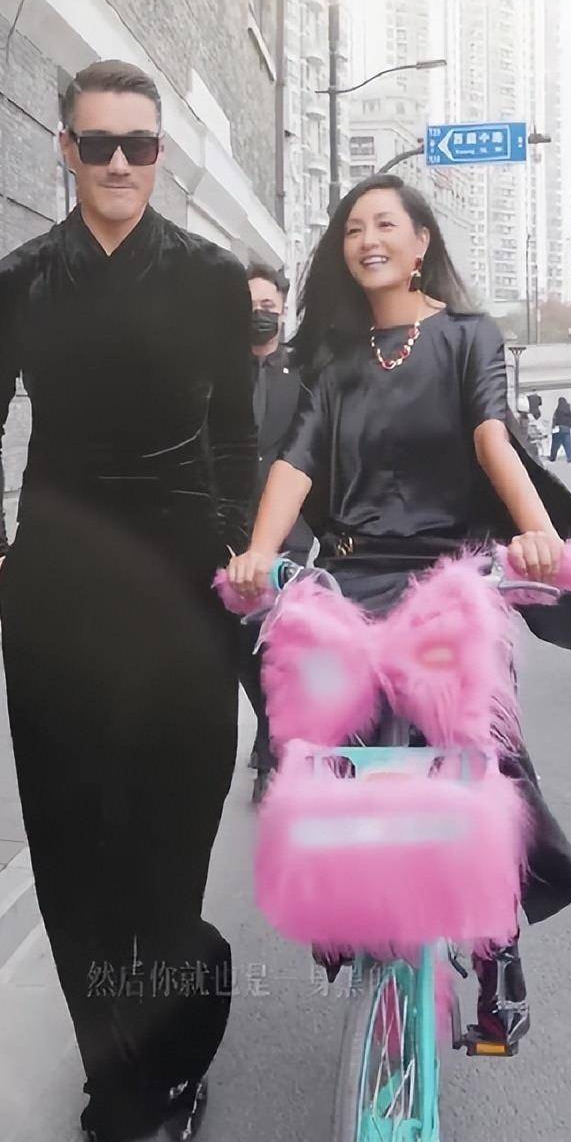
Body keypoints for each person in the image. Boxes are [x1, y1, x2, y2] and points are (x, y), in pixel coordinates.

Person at [225, 174, 571, 1049]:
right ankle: (348, 905)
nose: (367, 239)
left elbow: (491, 435)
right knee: (312, 745)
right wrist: (259, 553)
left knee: (481, 753)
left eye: (385, 224)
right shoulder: (331, 358)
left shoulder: (465, 336)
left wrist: (536, 533)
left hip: (447, 577)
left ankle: (495, 942)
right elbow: (295, 462)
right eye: (352, 228)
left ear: (419, 244)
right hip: (348, 577)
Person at [0, 60, 257, 1142]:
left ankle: (173, 1045)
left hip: (184, 593)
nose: (119, 162)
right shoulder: (15, 284)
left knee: (168, 846)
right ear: (65, 149)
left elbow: (237, 432)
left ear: (161, 154)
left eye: (139, 144)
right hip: (61, 601)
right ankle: (112, 1079)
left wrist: (234, 545)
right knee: (76, 853)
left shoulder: (213, 280)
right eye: (98, 143)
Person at [240, 263, 315, 803]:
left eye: (268, 306)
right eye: (250, 306)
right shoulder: (219, 371)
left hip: (288, 531)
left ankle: (271, 753)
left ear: (283, 309)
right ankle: (267, 729)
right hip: (229, 530)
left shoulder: (304, 373)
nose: (259, 314)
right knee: (242, 647)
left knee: (275, 645)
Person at [549, 397, 571, 463]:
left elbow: (554, 419)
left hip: (558, 428)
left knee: (555, 444)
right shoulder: (568, 410)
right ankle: (570, 459)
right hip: (566, 429)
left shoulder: (557, 410)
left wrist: (553, 428)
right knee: (568, 445)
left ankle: (552, 458)